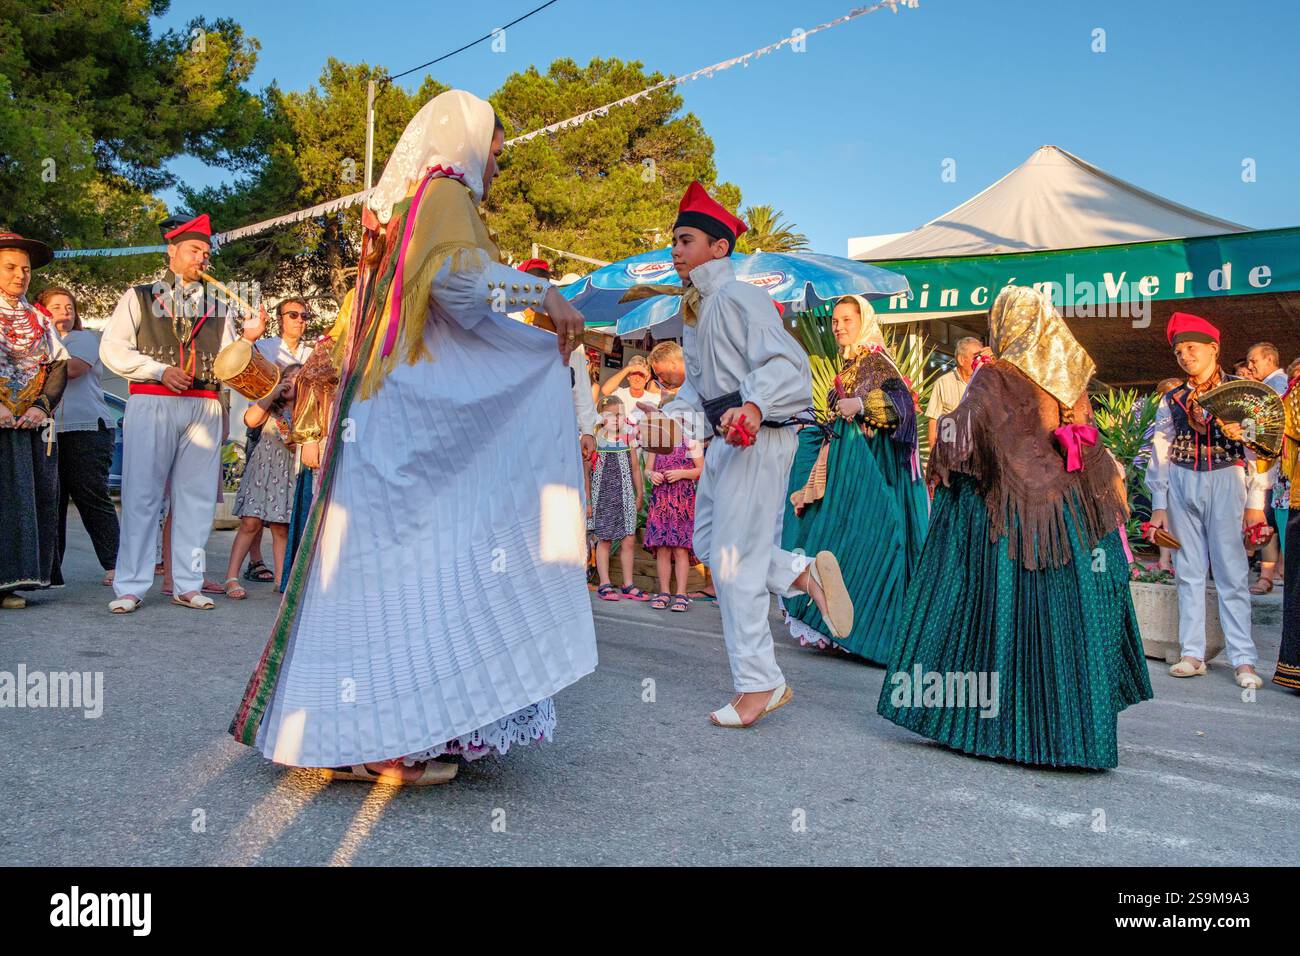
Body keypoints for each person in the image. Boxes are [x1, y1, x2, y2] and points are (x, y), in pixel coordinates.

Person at [229, 89, 597, 786]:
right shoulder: (446, 192)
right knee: (401, 566)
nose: (496, 156)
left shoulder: (406, 209)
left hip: (384, 410)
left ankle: (365, 730)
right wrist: (536, 295)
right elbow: (458, 286)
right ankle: (375, 737)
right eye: (492, 141)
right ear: (464, 138)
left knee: (388, 566)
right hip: (401, 417)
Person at [878, 285, 1151, 769]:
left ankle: (1001, 727)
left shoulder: (995, 377)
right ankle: (1074, 738)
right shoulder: (1069, 379)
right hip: (1069, 521)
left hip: (1013, 524)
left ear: (1005, 324)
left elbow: (959, 437)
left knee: (1005, 619)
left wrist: (942, 438)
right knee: (1065, 627)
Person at [636, 180, 853, 729]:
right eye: (674, 241)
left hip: (757, 438)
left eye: (684, 240)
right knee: (711, 542)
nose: (675, 250)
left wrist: (753, 409)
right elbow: (699, 393)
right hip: (726, 442)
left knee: (734, 564)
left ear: (719, 247)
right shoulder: (702, 310)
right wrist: (659, 423)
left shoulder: (739, 297)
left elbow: (787, 366)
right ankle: (801, 575)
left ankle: (759, 683)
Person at [100, 213, 266, 613]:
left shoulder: (221, 305)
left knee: (194, 500)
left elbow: (231, 365)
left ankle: (188, 584)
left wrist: (248, 339)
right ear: (171, 251)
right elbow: (113, 350)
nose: (202, 259)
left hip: (204, 405)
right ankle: (131, 585)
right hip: (152, 399)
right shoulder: (138, 296)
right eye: (195, 250)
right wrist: (158, 370)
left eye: (206, 253)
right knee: (142, 493)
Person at [781, 294, 929, 661]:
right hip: (850, 470)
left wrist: (861, 405)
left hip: (875, 472)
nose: (838, 326)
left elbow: (902, 406)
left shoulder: (876, 360)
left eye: (847, 319)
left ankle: (873, 629)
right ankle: (838, 622)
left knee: (870, 539)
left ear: (863, 321)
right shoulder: (851, 365)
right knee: (843, 539)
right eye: (835, 320)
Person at [1145, 312, 1271, 690]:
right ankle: (1192, 653)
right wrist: (1159, 503)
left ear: (1214, 348)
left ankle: (1243, 659)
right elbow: (1161, 448)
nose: (1185, 356)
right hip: (1183, 479)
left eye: (1191, 348)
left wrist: (1256, 499)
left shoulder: (1244, 390)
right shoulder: (1173, 398)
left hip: (1228, 476)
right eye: (1179, 351)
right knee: (1188, 570)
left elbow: (1262, 449)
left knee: (1232, 572)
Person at [0, 233, 68, 609]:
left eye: (25, 269)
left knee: (21, 502)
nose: (20, 275)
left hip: (26, 425)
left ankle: (9, 583)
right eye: (10, 267)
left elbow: (58, 366)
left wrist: (41, 407)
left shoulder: (39, 320)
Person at [37, 287, 120, 588]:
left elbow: (71, 370)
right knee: (52, 500)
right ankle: (48, 571)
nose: (65, 312)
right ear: (43, 311)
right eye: (57, 307)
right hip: (48, 432)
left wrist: (28, 364)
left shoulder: (83, 339)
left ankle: (115, 564)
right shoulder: (38, 342)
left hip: (87, 429)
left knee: (91, 496)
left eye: (69, 307)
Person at [240, 297, 315, 585]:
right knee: (256, 503)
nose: (300, 320)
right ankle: (255, 560)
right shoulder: (266, 346)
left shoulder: (313, 352)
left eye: (304, 315)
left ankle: (289, 567)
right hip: (264, 423)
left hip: (299, 428)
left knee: (287, 501)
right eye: (293, 314)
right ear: (280, 318)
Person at [222, 365, 301, 598]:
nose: (289, 382)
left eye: (296, 379)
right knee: (250, 523)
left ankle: (280, 579)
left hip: (285, 473)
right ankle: (231, 577)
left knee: (280, 527)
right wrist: (272, 394)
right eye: (287, 377)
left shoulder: (305, 411)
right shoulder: (270, 407)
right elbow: (250, 420)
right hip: (261, 470)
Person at [588, 396, 648, 601]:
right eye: (612, 415)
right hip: (602, 495)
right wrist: (588, 502)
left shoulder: (628, 437)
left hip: (624, 495)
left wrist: (639, 493)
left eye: (620, 414)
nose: (617, 419)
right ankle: (605, 583)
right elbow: (587, 472)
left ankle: (628, 583)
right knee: (604, 539)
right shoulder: (596, 439)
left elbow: (635, 468)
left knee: (629, 538)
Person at [643, 422, 704, 612]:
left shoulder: (691, 442)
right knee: (662, 548)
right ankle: (663, 592)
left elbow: (701, 470)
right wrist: (651, 475)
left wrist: (681, 474)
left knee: (680, 549)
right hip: (661, 500)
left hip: (682, 500)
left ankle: (681, 593)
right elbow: (647, 469)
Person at [1246, 341, 1288, 594]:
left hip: (1276, 470)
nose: (1250, 366)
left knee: (1270, 525)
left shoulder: (1278, 385)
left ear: (1270, 360)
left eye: (1254, 360)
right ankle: (1269, 574)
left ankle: (1268, 575)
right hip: (1270, 471)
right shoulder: (1270, 385)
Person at [925, 335, 982, 453]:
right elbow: (933, 419)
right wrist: (932, 451)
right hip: (951, 450)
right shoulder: (943, 383)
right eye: (976, 357)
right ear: (962, 359)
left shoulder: (985, 382)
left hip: (978, 450)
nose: (979, 361)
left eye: (981, 357)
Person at [602, 354, 660, 421]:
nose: (637, 379)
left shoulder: (654, 399)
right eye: (634, 374)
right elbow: (605, 390)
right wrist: (628, 369)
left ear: (647, 378)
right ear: (628, 376)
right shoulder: (619, 394)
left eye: (641, 375)